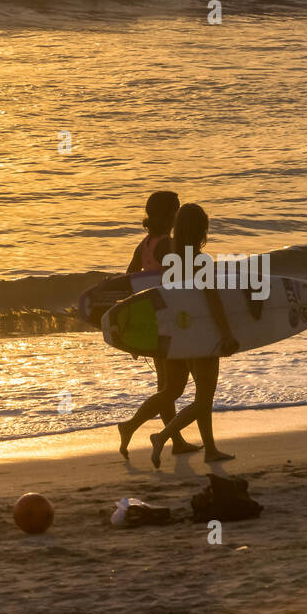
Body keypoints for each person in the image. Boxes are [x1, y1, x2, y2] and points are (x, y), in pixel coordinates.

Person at [148, 204, 238, 467]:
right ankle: (162, 437)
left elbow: (167, 300)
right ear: (202, 230)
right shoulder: (201, 261)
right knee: (203, 399)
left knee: (194, 396)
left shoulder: (170, 262)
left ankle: (210, 449)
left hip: (180, 336)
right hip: (203, 336)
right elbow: (213, 302)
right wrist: (227, 335)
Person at [118, 193, 201, 459]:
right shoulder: (168, 245)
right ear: (168, 216)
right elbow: (181, 281)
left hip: (153, 321)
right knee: (173, 388)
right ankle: (131, 425)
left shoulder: (144, 245)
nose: (179, 216)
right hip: (171, 320)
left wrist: (131, 326)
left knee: (165, 387)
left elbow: (128, 282)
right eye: (176, 211)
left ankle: (175, 440)